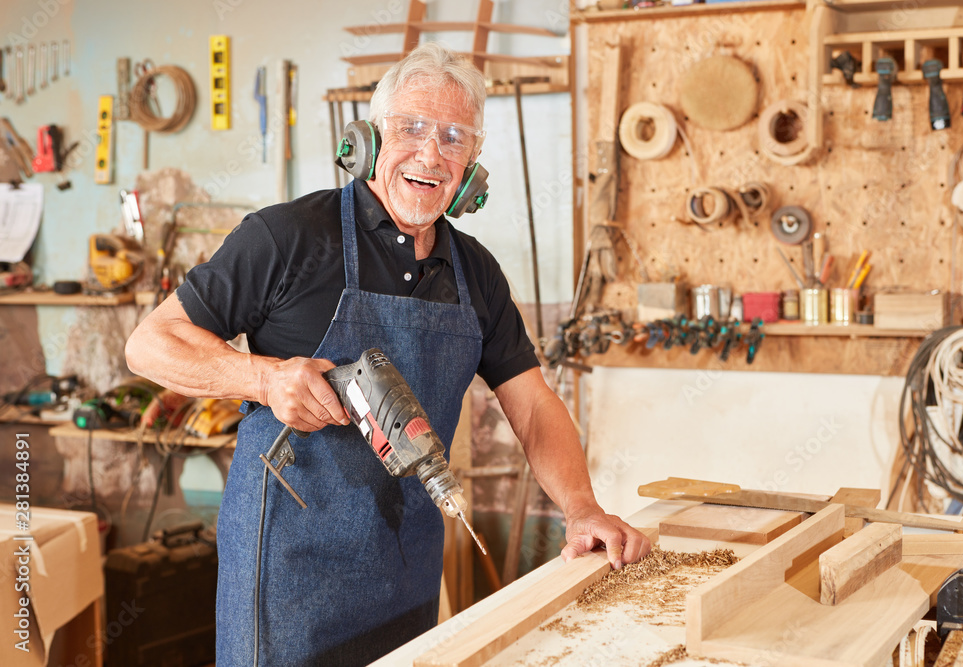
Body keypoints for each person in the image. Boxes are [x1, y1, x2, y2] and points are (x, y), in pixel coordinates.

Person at [125, 42, 650, 666]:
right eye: (412, 128)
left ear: (474, 164)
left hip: (406, 569)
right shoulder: (288, 237)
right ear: (369, 138)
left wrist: (582, 508)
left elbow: (533, 404)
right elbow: (149, 344)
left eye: (455, 138)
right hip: (286, 573)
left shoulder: (475, 273)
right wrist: (263, 378)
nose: (431, 154)